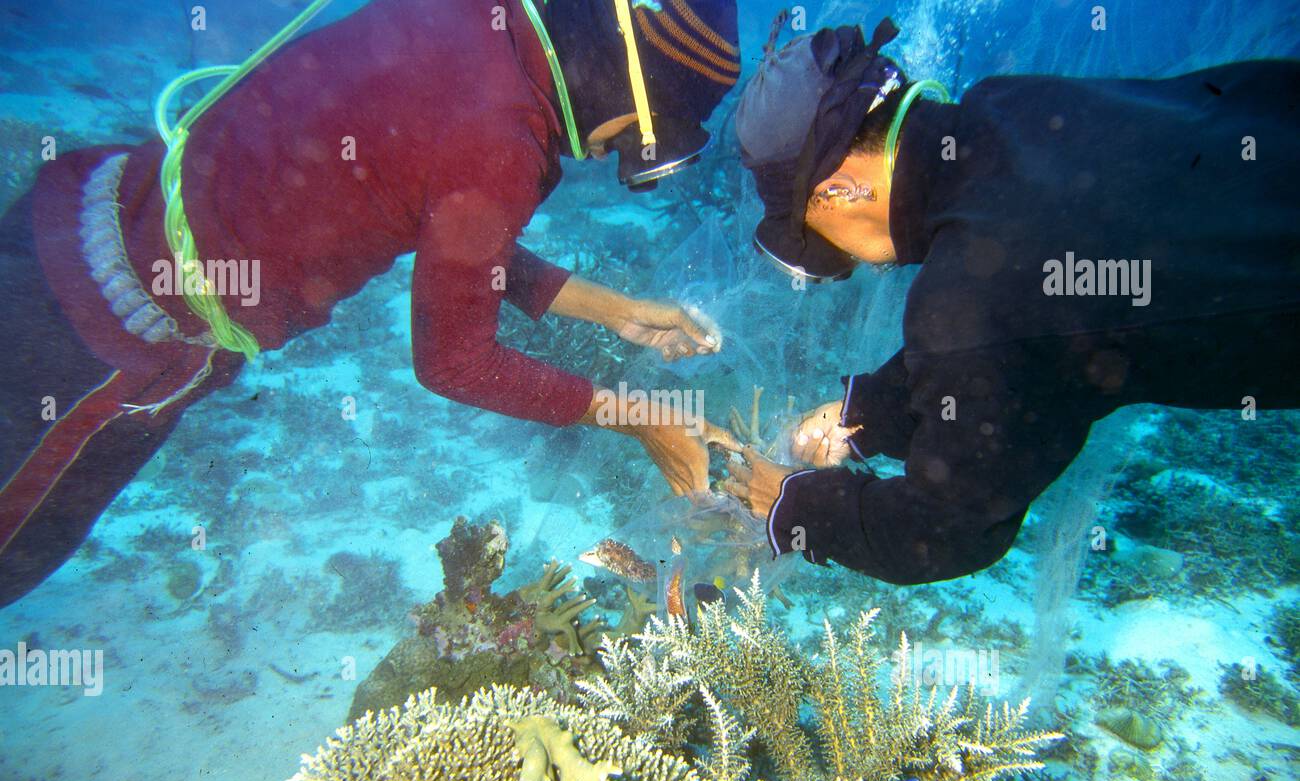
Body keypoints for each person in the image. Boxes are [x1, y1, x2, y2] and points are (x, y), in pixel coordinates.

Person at [0, 0, 743, 608]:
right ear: (626, 90)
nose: (604, 153)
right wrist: (638, 418)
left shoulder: (481, 26)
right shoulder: (502, 137)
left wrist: (616, 310)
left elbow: (451, 225)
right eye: (628, 143)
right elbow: (454, 361)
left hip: (72, 219)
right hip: (101, 341)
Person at [723, 18, 1300, 585]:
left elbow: (941, 531)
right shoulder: (1007, 103)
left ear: (843, 190)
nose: (839, 260)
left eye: (812, 231)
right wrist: (867, 412)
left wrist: (794, 504)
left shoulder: (970, 306)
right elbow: (1019, 339)